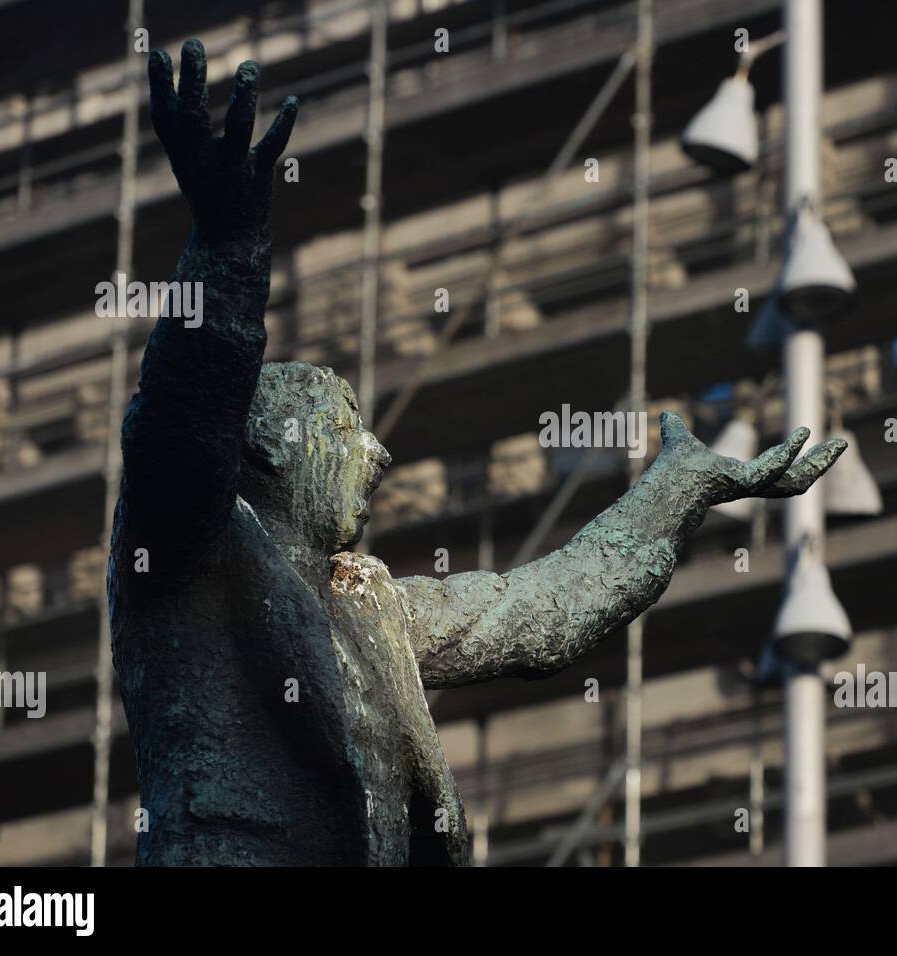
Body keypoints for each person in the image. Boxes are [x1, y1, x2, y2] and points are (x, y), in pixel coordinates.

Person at [109, 39, 846, 865]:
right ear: (270, 450)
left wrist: (676, 490)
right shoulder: (182, 551)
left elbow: (539, 611)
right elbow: (179, 424)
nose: (376, 450)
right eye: (343, 428)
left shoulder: (367, 605)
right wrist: (228, 250)